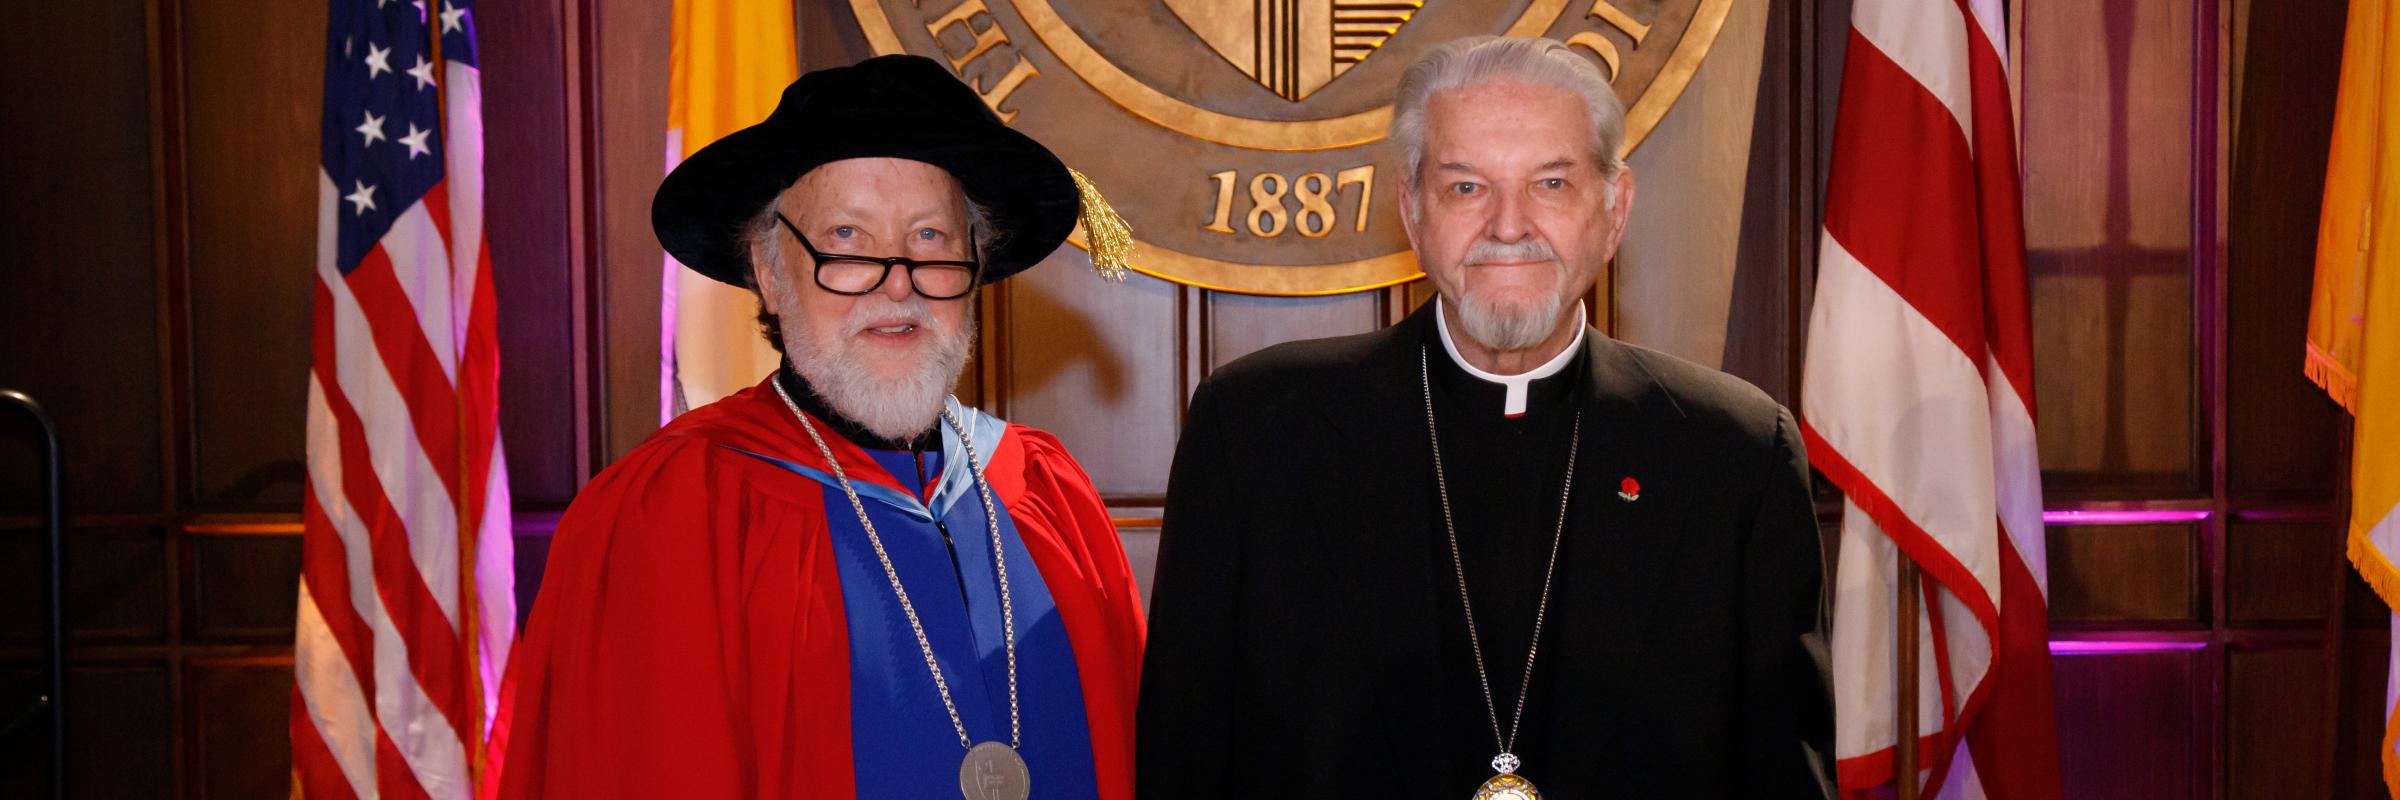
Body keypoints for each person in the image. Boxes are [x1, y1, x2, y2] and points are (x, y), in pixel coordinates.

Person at [1136, 36, 1833, 798]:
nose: (1508, 226)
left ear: (1614, 208)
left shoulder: (1732, 455)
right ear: (1412, 208)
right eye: (1466, 188)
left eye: (1552, 184)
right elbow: (1185, 758)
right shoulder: (1257, 434)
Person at [496, 55, 1144, 800]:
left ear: (975, 262)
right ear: (770, 273)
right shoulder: (667, 514)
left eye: (930, 237)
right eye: (848, 236)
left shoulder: (1049, 494)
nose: (897, 280)